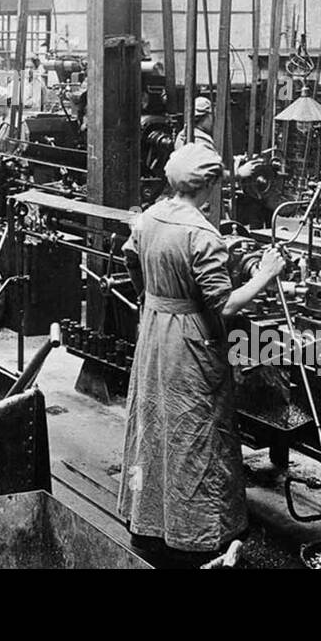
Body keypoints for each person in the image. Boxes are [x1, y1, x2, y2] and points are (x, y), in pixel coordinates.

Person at [117, 142, 286, 569]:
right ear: (208, 185)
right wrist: (266, 274)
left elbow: (130, 259)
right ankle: (198, 533)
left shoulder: (148, 217)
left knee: (154, 425)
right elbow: (224, 305)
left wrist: (152, 300)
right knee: (196, 431)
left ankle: (149, 521)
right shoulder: (201, 233)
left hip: (155, 329)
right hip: (192, 339)